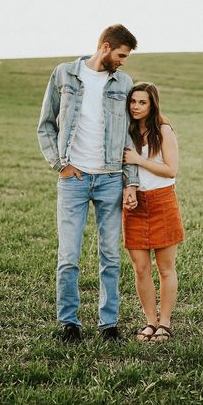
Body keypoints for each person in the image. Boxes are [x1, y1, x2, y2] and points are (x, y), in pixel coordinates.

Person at [37, 24, 139, 343]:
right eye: (121, 55)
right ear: (105, 47)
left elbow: (128, 137)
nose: (123, 62)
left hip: (110, 178)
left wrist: (130, 182)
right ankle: (70, 323)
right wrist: (60, 164)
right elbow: (45, 125)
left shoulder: (124, 83)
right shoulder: (64, 74)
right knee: (69, 255)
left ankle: (108, 324)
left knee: (109, 255)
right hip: (74, 179)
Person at [122, 82, 184, 342]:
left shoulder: (163, 131)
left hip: (162, 201)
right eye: (133, 102)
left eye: (142, 102)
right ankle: (150, 321)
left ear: (152, 104)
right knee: (140, 268)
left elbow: (171, 170)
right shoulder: (127, 130)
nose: (136, 107)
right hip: (135, 205)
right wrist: (129, 190)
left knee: (166, 268)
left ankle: (165, 323)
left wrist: (139, 160)